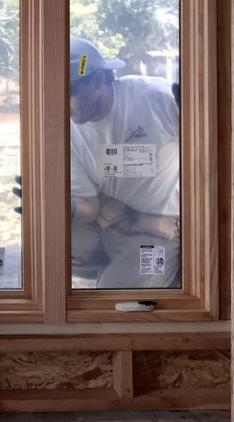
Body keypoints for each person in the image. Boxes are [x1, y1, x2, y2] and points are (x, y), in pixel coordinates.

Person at [69, 37, 181, 289]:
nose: (60, 103)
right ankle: (111, 268)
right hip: (111, 218)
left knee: (118, 299)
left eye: (69, 90)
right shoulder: (68, 131)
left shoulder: (156, 99)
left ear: (98, 81)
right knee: (49, 234)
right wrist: (67, 207)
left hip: (158, 229)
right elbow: (88, 207)